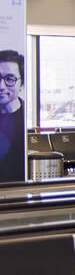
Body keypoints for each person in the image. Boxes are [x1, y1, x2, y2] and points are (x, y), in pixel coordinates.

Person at [0, 49, 25, 183]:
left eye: (10, 79)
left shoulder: (26, 118)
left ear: (21, 84)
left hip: (19, 189)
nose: (1, 86)